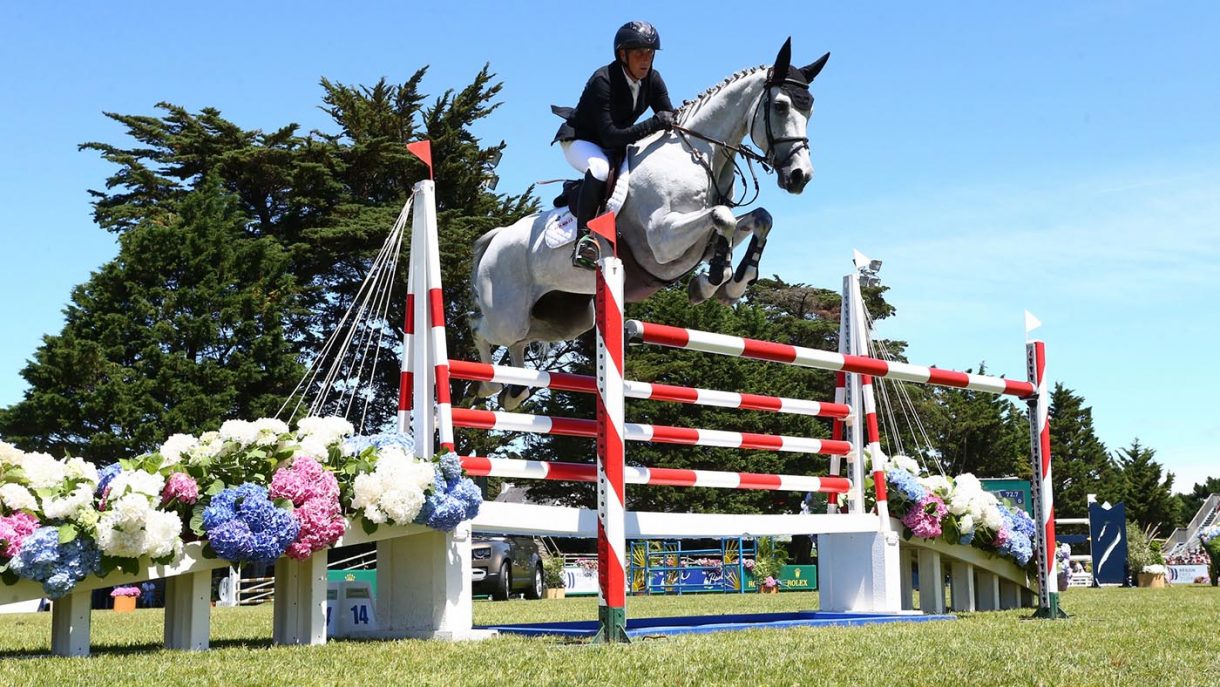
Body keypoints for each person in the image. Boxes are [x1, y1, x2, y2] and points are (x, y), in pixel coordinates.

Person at [553, 20, 676, 268]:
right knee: (599, 168)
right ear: (623, 54)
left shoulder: (653, 80)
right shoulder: (603, 80)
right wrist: (654, 123)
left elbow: (668, 116)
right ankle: (583, 240)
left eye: (650, 54)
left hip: (614, 143)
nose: (646, 60)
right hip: (582, 139)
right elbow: (610, 135)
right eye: (639, 53)